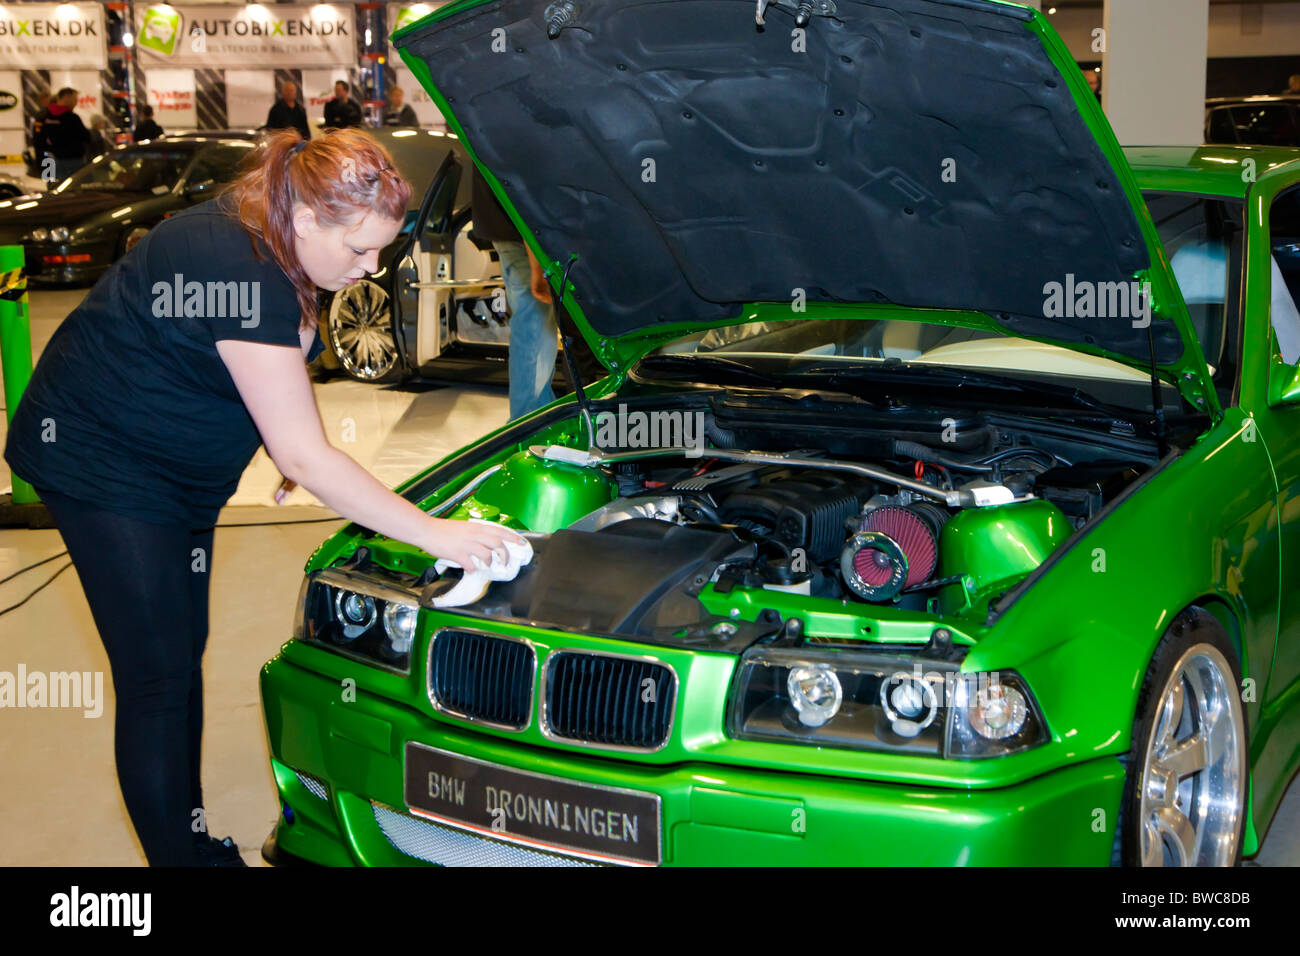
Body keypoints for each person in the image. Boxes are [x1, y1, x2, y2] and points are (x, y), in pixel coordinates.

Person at [3, 129, 524, 867]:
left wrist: (281, 427)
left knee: (184, 653)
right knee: (155, 674)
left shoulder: (282, 226)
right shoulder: (235, 259)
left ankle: (185, 838)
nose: (371, 267)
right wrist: (435, 534)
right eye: (359, 250)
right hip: (103, 460)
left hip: (178, 459)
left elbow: (259, 366)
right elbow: (305, 452)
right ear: (309, 219)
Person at [470, 164, 557, 420]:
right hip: (524, 227)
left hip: (507, 222)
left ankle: (530, 417)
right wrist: (536, 251)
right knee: (535, 323)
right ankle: (530, 421)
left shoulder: (486, 123)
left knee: (533, 322)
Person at [34, 88, 90, 184]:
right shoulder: (72, 118)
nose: (75, 103)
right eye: (75, 99)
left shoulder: (43, 117)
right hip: (73, 163)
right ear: (66, 98)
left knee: (54, 191)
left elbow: (38, 142)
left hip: (50, 162)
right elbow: (86, 137)